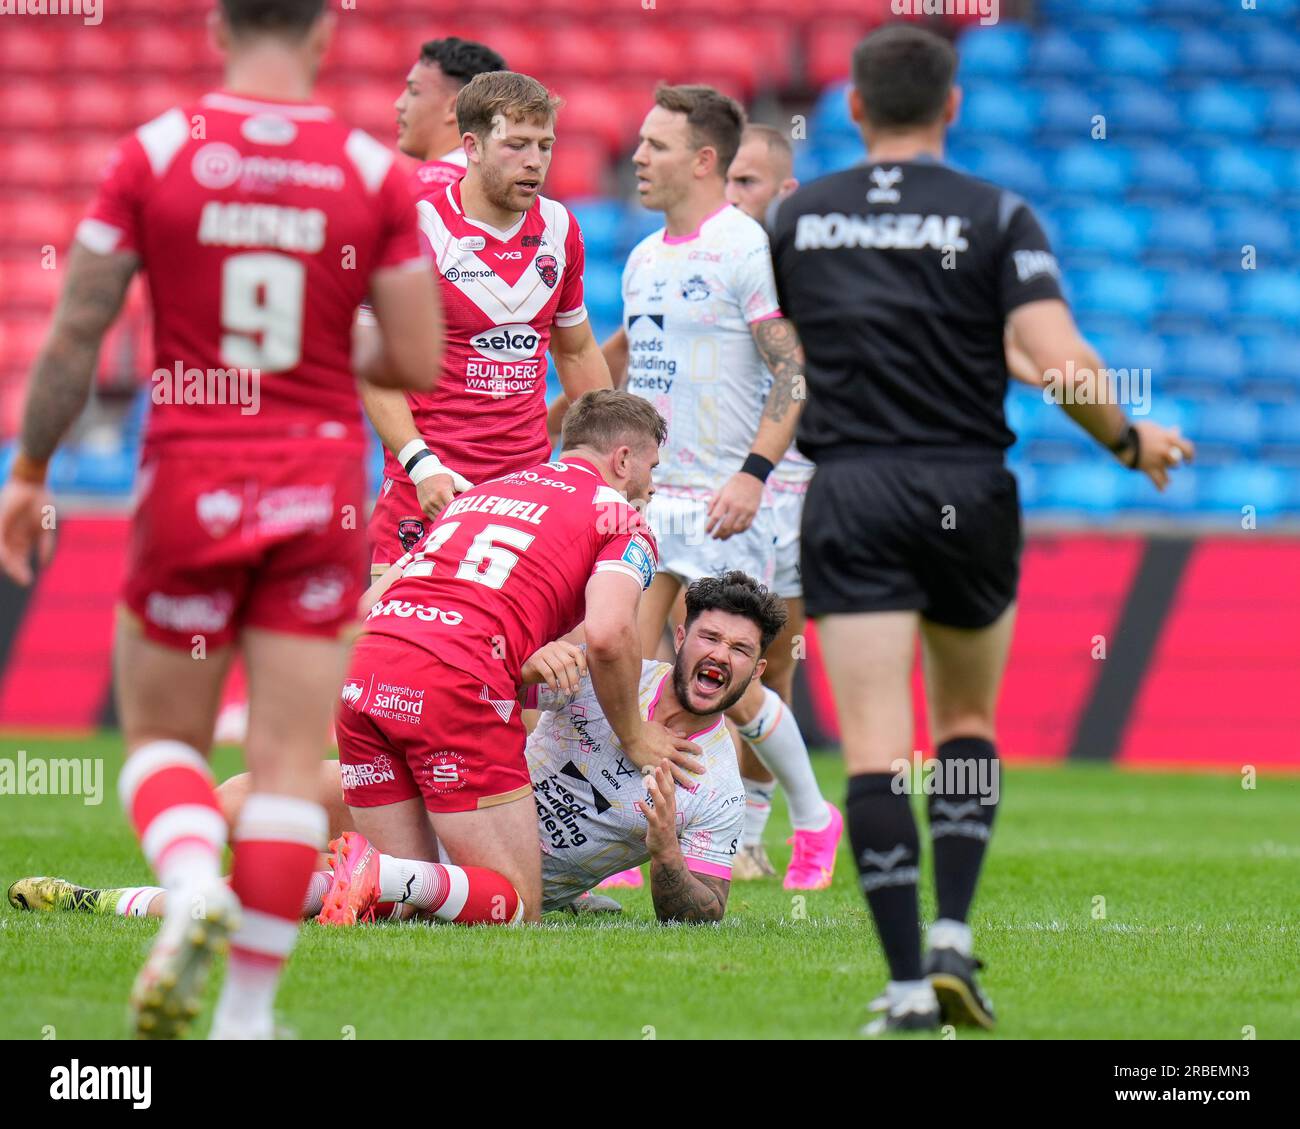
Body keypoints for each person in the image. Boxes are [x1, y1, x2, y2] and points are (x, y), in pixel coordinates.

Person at [0, 0, 442, 1041]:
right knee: (289, 765)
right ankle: (246, 1016)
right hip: (315, 484)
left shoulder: (157, 153)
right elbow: (417, 360)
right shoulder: (369, 173)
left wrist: (29, 469)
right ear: (327, 39)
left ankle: (193, 884)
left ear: (214, 31)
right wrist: (328, 338)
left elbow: (75, 334)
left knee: (162, 735)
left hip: (192, 473)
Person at [768, 24, 1195, 1035]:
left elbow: (784, 356)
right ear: (951, 107)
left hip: (853, 488)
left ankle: (908, 982)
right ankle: (955, 929)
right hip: (964, 487)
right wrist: (1130, 443)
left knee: (875, 746)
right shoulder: (996, 215)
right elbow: (1059, 361)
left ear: (856, 108)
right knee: (964, 724)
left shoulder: (798, 219)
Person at [10, 572, 788, 929]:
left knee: (294, 888)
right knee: (239, 801)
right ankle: (180, 887)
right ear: (682, 636)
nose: (720, 653)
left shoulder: (715, 782)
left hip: (485, 860)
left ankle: (101, 905)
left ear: (757, 670)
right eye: (711, 635)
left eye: (741, 649)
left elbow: (700, 913)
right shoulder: (608, 676)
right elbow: (484, 691)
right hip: (443, 791)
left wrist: (665, 856)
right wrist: (525, 666)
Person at [334, 390, 705, 924]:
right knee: (516, 906)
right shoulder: (620, 516)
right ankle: (380, 875)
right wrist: (634, 736)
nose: (653, 485)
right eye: (651, 467)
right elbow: (608, 632)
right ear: (623, 460)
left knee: (401, 908)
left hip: (366, 669)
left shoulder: (477, 494)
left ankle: (177, 900)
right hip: (451, 681)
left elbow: (368, 606)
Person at [601, 87, 841, 893]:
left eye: (656, 145)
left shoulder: (747, 250)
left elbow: (793, 372)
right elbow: (640, 370)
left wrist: (754, 472)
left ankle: (810, 816)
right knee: (625, 663)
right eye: (639, 142)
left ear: (703, 160)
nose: (637, 157)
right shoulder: (641, 259)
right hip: (657, 499)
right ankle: (630, 835)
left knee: (732, 683)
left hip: (729, 501)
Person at [361, 69, 611, 578]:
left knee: (529, 655)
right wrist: (421, 465)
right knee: (392, 649)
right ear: (472, 146)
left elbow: (578, 351)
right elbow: (373, 365)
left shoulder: (561, 228)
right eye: (516, 144)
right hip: (427, 489)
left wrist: (608, 461)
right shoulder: (418, 229)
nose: (534, 161)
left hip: (526, 493)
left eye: (545, 145)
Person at [721, 123, 814, 880]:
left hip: (791, 485)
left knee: (769, 662)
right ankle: (682, 822)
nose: (731, 195)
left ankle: (751, 831)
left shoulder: (807, 271)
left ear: (783, 192)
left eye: (747, 182)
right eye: (724, 178)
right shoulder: (702, 254)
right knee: (683, 652)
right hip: (712, 484)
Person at [394, 37, 507, 191]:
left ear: (454, 107)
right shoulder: (510, 187)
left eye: (414, 91)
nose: (399, 104)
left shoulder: (429, 185)